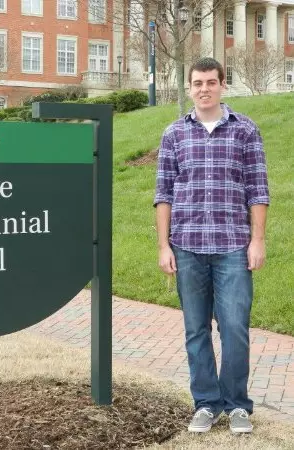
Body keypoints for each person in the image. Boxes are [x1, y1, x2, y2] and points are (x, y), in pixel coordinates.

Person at [153, 57, 269, 434]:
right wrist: (163, 246)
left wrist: (258, 241)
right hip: (186, 247)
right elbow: (163, 194)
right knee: (195, 329)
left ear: (223, 85)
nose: (204, 88)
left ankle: (237, 405)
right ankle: (206, 403)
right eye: (197, 83)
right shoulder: (173, 134)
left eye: (211, 82)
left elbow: (258, 190)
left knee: (234, 327)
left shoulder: (245, 131)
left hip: (233, 247)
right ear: (189, 88)